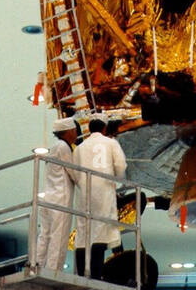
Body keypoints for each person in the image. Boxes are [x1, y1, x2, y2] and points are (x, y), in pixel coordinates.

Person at [71, 119, 128, 280]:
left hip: (85, 192)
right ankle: (96, 274)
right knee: (101, 231)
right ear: (104, 128)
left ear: (89, 130)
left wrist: (82, 183)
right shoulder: (111, 143)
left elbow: (74, 172)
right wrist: (118, 180)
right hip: (104, 190)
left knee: (84, 230)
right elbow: (121, 165)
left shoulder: (80, 148)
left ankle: (82, 274)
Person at [33, 127, 80, 273]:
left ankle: (37, 266)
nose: (76, 134)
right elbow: (74, 173)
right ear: (67, 131)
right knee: (59, 236)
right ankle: (54, 271)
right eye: (74, 131)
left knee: (45, 235)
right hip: (61, 198)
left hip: (49, 196)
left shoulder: (53, 147)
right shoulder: (63, 147)